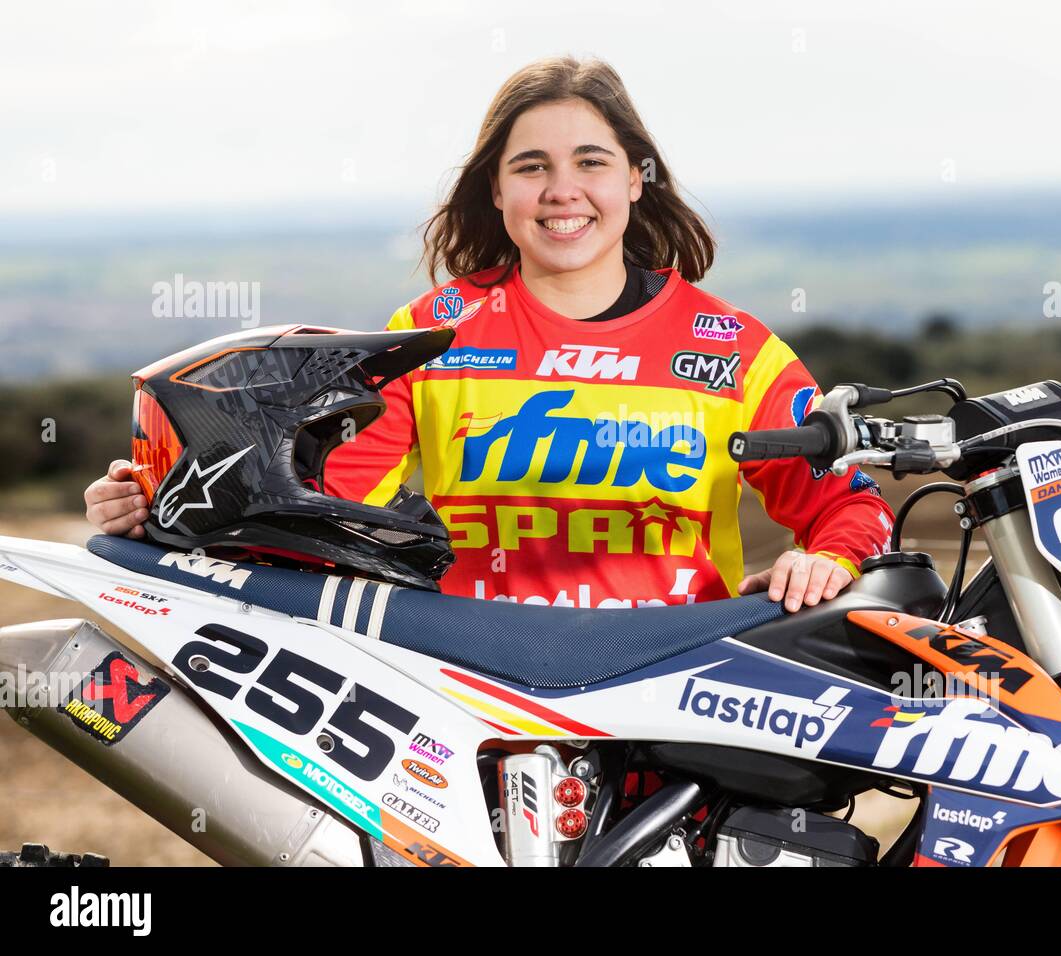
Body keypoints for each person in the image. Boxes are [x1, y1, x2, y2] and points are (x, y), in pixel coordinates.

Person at [85, 55, 895, 613]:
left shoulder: (733, 348)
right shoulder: (431, 336)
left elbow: (847, 505)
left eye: (591, 162)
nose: (562, 191)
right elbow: (307, 509)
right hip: (469, 684)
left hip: (675, 684)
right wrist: (160, 503)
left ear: (636, 180)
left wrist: (824, 560)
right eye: (531, 166)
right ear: (497, 191)